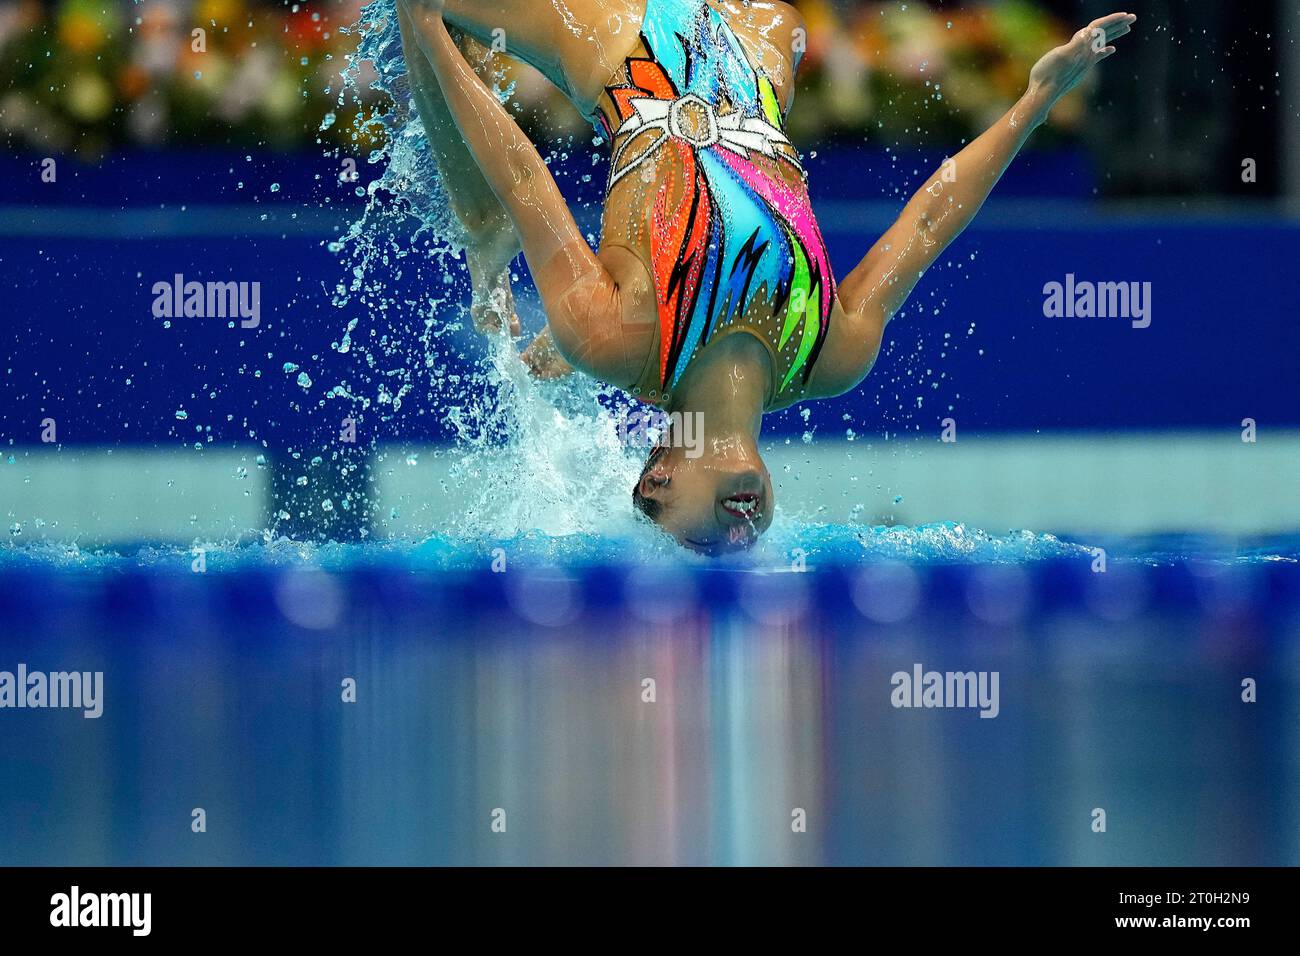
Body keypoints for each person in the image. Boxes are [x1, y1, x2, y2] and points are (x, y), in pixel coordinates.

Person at [395, 0, 1136, 553]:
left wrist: (425, 26)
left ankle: (476, 231)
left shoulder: (613, 339)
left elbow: (525, 178)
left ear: (655, 481)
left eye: (701, 546)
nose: (736, 540)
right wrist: (1033, 104)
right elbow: (925, 226)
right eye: (746, 552)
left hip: (624, 47)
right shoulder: (829, 357)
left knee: (435, 23)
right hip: (762, 42)